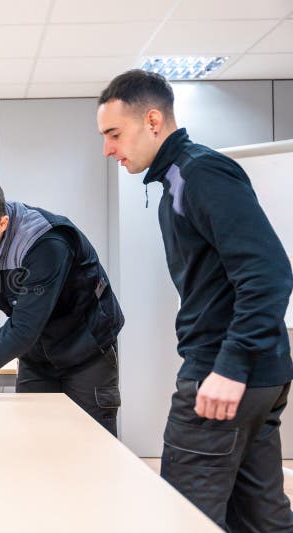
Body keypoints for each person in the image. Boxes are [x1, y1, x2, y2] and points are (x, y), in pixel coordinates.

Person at [97, 69, 293, 530]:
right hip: (257, 374)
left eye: (113, 134)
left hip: (225, 374)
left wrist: (229, 366)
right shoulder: (180, 180)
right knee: (262, 519)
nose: (108, 148)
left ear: (152, 120)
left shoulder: (199, 172)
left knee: (183, 517)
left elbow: (268, 272)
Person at [0, 175, 125, 437]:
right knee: (35, 444)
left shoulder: (47, 243)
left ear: (2, 223)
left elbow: (23, 329)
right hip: (36, 358)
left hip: (86, 354)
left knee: (91, 445)